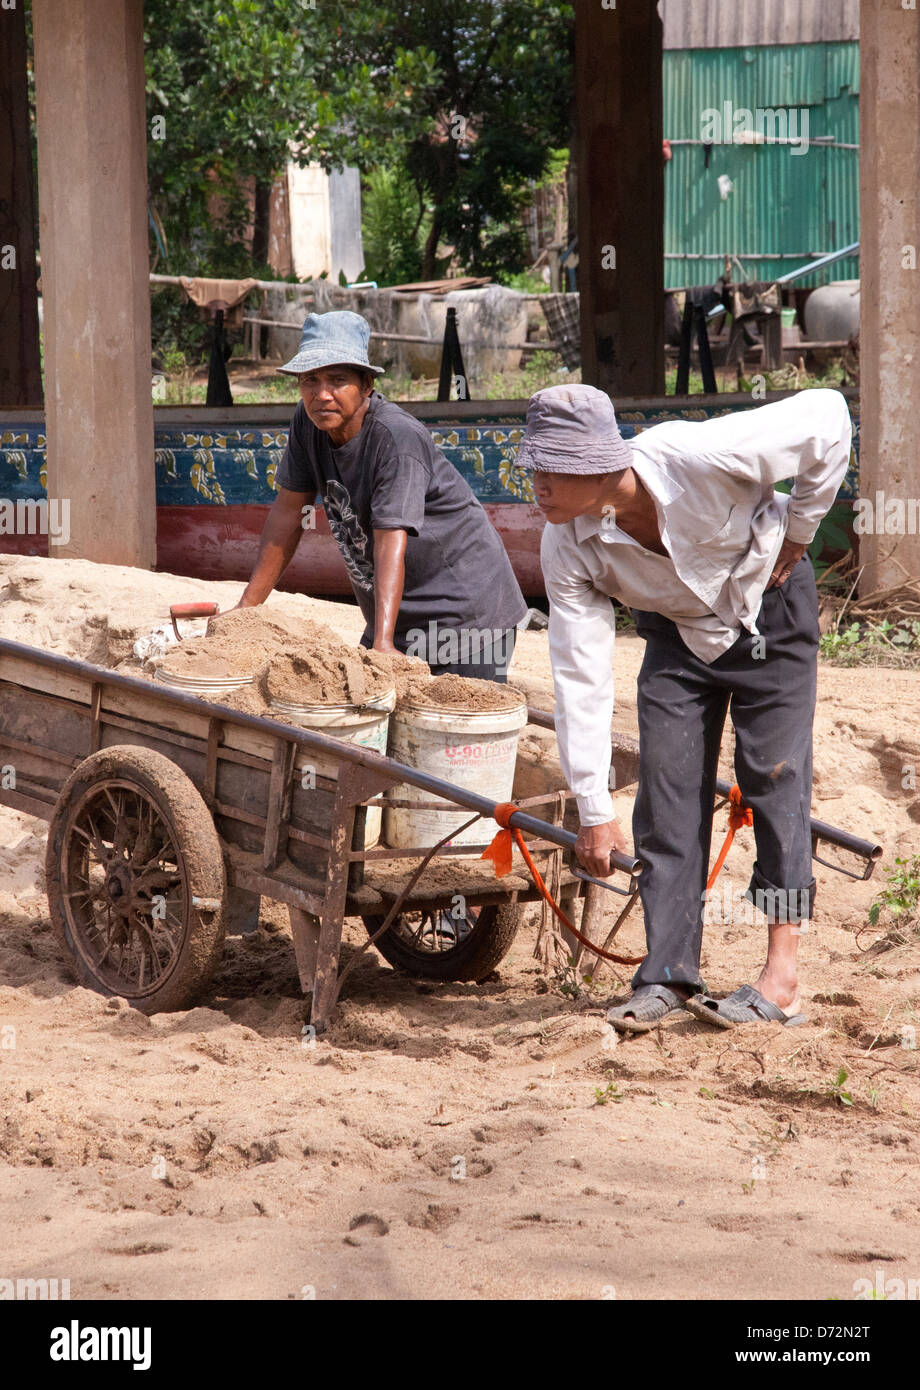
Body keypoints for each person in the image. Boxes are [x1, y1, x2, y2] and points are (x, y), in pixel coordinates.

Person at [515, 384, 852, 1033]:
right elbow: (578, 675)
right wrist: (592, 808)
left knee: (774, 777)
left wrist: (801, 532)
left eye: (552, 468)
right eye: (535, 468)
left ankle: (782, 977)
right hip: (676, 635)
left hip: (770, 614)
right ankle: (668, 972)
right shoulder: (568, 547)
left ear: (599, 462)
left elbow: (829, 419)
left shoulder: (696, 455)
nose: (539, 485)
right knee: (666, 791)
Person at [224, 310, 526, 681]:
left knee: (454, 730)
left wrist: (382, 643)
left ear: (366, 385)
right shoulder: (307, 423)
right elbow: (288, 516)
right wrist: (246, 609)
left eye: (338, 380)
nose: (322, 395)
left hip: (467, 615)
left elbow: (389, 541)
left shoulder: (396, 438)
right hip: (398, 613)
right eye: (310, 380)